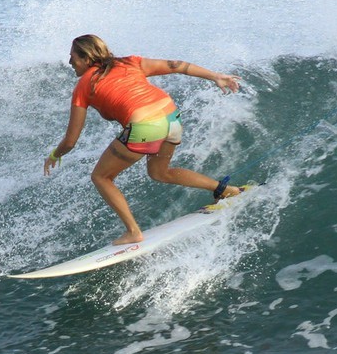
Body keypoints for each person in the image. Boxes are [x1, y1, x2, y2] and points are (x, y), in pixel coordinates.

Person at [44, 34, 242, 245]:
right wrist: (215, 76)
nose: (70, 62)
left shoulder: (84, 86)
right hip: (172, 118)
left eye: (72, 57)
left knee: (101, 177)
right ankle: (226, 190)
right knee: (160, 172)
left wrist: (55, 155)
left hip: (146, 125)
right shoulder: (130, 62)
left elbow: (71, 140)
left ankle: (133, 231)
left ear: (86, 58)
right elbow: (175, 65)